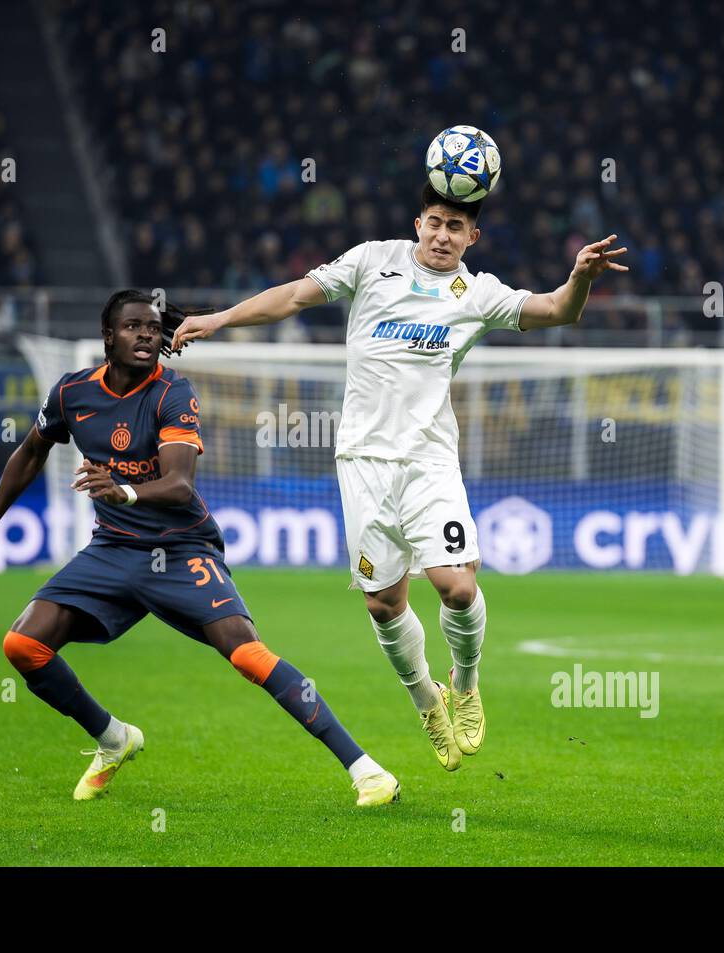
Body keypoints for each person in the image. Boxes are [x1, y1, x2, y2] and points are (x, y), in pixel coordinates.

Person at [172, 183, 627, 771]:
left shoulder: (477, 293)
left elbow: (555, 311)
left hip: (429, 461)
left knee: (457, 586)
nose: (443, 236)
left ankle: (464, 683)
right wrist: (220, 319)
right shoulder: (371, 261)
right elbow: (293, 296)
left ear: (473, 238)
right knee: (384, 604)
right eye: (435, 223)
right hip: (362, 462)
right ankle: (425, 701)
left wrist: (581, 277)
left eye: (455, 228)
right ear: (418, 224)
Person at [0, 290, 399, 807]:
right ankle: (113, 738)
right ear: (108, 337)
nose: (145, 335)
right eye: (133, 327)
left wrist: (124, 489)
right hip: (113, 549)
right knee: (23, 646)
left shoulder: (172, 394)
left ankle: (367, 771)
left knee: (248, 654)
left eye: (153, 329)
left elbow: (179, 483)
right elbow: (29, 453)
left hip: (181, 548)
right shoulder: (71, 394)